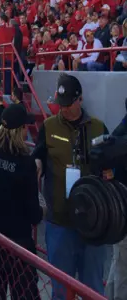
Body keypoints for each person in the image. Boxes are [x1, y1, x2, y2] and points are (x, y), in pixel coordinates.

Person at [33, 73, 108, 298]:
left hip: (93, 224)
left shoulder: (98, 127)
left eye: (68, 105)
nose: (63, 109)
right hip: (60, 223)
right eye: (61, 105)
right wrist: (36, 163)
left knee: (93, 287)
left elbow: (109, 166)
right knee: (60, 290)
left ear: (80, 100)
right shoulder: (48, 127)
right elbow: (38, 155)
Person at [0, 104, 43, 300]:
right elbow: (34, 213)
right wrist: (44, 211)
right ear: (20, 130)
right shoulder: (26, 164)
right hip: (20, 245)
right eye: (25, 127)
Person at [106, 98, 127, 300]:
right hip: (123, 208)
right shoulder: (122, 135)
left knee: (118, 262)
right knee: (123, 269)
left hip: (119, 207)